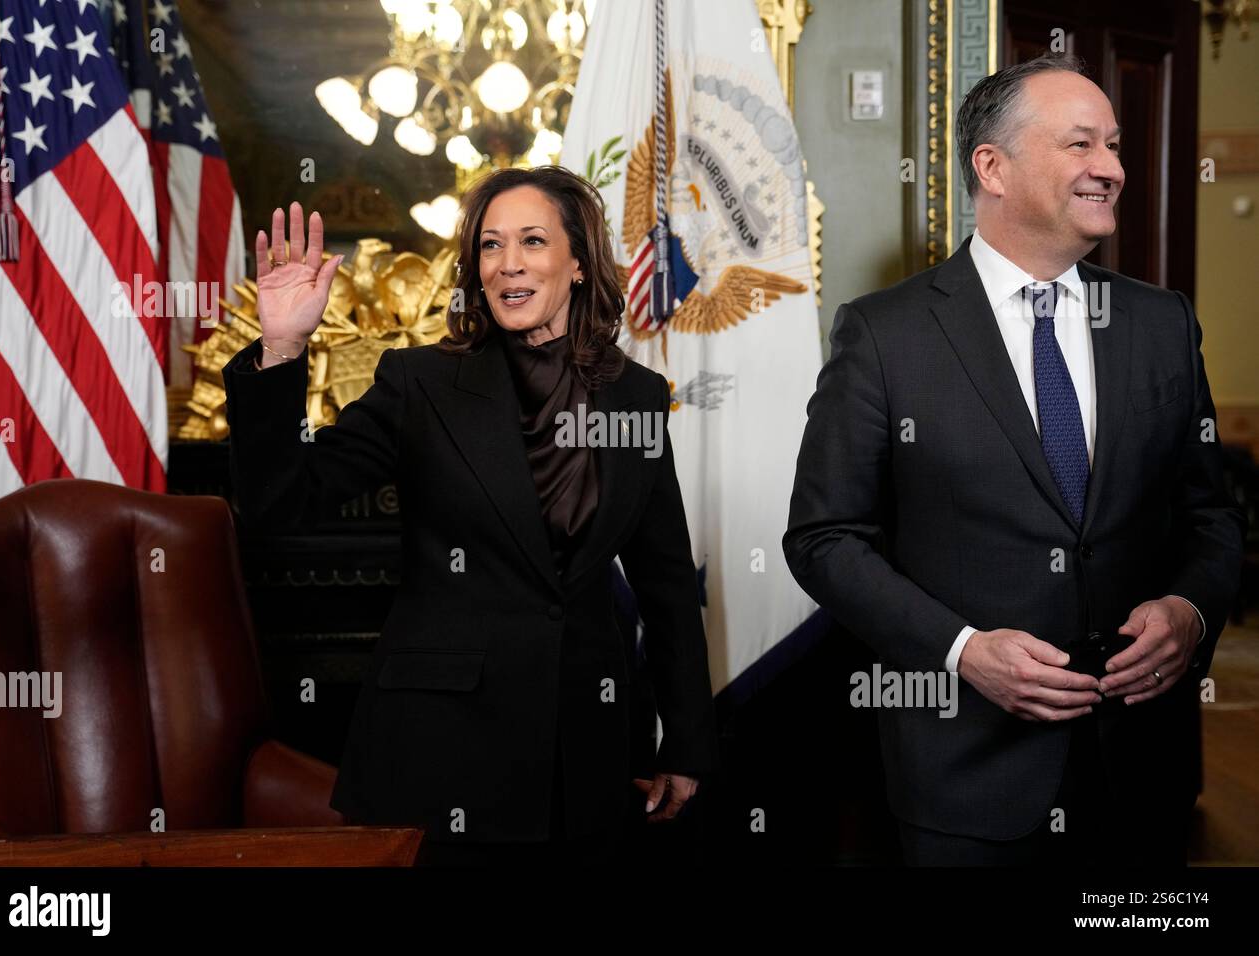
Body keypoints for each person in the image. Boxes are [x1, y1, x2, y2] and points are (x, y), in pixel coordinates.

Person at [783, 53, 1244, 866]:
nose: (1112, 168)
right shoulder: (886, 335)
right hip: (966, 778)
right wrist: (964, 651)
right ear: (991, 166)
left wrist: (1189, 612)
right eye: (1080, 145)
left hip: (1140, 773)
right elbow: (825, 539)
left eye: (1114, 146)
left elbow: (1210, 518)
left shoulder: (1161, 323)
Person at [221, 166, 719, 866]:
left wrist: (687, 741)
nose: (507, 263)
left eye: (532, 241)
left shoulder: (636, 397)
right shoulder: (420, 383)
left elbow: (666, 584)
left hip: (589, 754)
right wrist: (281, 351)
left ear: (578, 264)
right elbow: (280, 507)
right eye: (489, 245)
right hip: (442, 751)